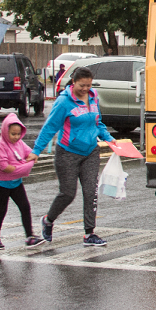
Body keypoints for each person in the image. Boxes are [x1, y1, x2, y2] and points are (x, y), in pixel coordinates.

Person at [26, 66, 114, 247]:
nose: (85, 89)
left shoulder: (93, 96)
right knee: (68, 194)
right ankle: (48, 220)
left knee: (91, 192)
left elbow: (98, 122)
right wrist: (36, 151)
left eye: (88, 85)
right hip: (67, 153)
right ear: (73, 82)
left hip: (90, 151)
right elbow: (50, 127)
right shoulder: (64, 102)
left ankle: (89, 233)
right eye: (82, 85)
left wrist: (110, 139)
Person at [0, 113, 45, 250]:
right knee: (1, 211)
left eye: (18, 134)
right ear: (5, 131)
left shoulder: (19, 143)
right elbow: (5, 167)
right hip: (1, 184)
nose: (16, 137)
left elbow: (31, 154)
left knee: (25, 207)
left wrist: (28, 161)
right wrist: (24, 167)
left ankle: (29, 236)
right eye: (13, 134)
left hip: (15, 183)